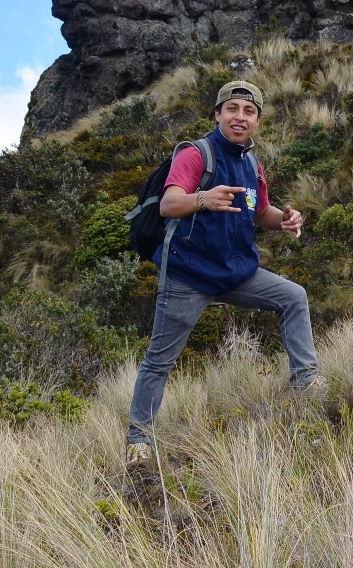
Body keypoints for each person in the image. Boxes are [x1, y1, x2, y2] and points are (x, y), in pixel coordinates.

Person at [126, 80, 322, 464]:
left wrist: (283, 218)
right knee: (159, 360)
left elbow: (260, 212)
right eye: (232, 109)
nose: (240, 117)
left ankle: (307, 383)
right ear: (217, 114)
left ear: (257, 121)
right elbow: (169, 204)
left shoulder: (252, 164)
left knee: (293, 297)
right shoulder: (196, 154)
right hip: (188, 277)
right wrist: (203, 199)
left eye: (249, 112)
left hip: (237, 273)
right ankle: (139, 440)